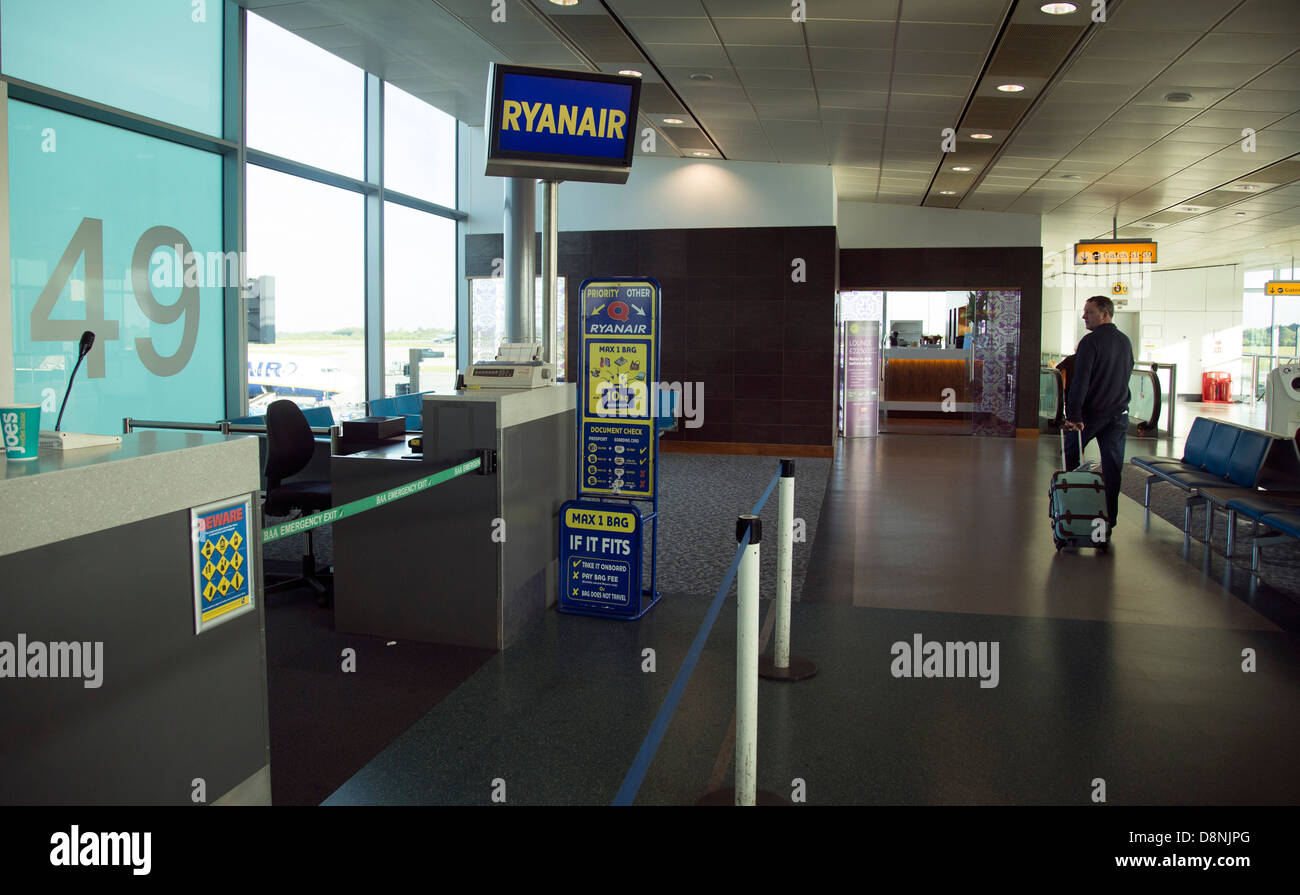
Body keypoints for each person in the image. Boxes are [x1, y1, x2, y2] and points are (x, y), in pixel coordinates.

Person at [1063, 296, 1133, 534]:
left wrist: (1074, 415)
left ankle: (1072, 511)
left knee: (1071, 458)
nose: (1084, 316)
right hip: (1119, 414)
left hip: (1091, 415)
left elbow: (1080, 381)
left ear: (1105, 314)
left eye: (1089, 312)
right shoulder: (1125, 341)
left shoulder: (1090, 342)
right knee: (1113, 470)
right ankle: (1108, 520)